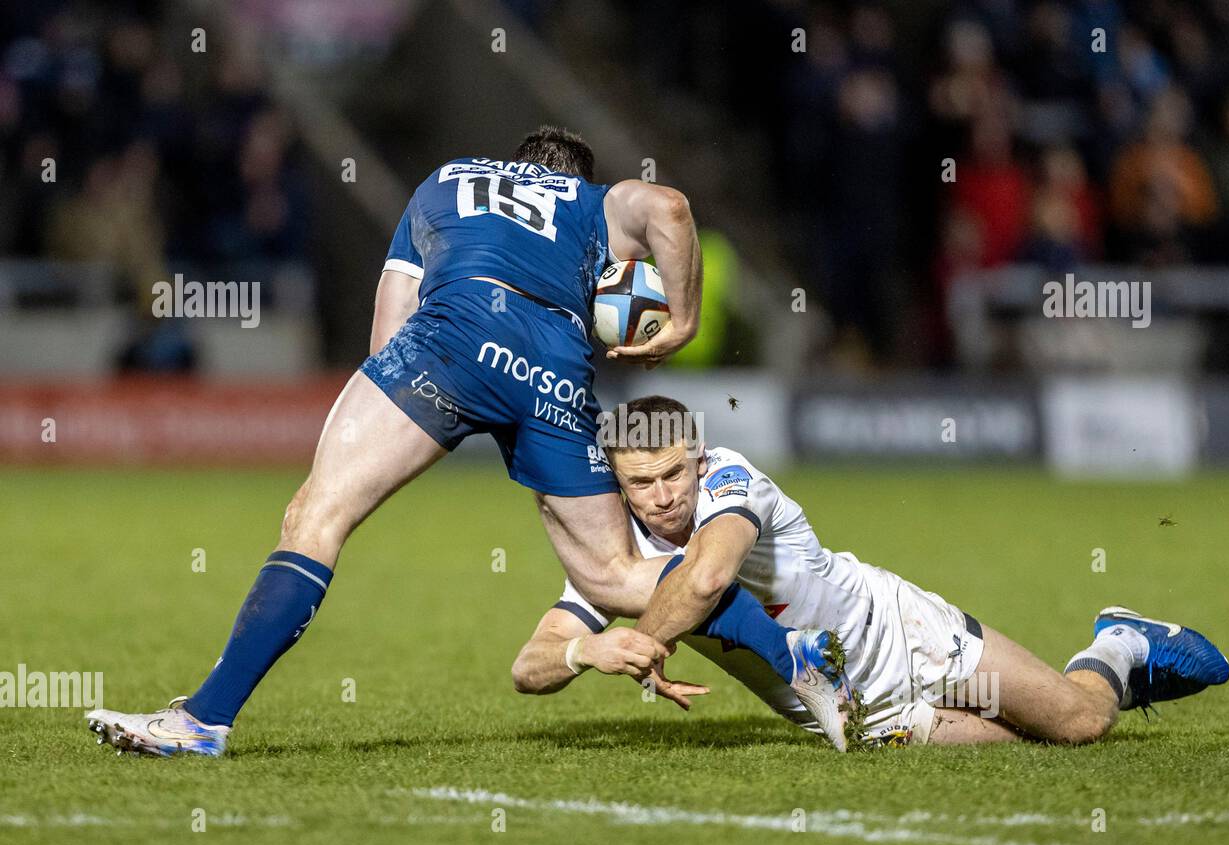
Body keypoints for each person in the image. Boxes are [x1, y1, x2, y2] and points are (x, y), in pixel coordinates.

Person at [85, 127, 848, 757]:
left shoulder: (444, 181)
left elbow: (390, 329)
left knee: (316, 517)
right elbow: (673, 209)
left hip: (447, 344)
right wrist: (680, 320)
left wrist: (407, 423)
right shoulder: (593, 204)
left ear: (514, 165)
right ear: (575, 179)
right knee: (615, 576)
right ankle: (799, 659)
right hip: (552, 372)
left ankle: (205, 719)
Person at [511, 395, 1229, 749]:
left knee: (1076, 725)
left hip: (904, 632)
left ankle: (1119, 642)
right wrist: (585, 649)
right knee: (1038, 750)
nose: (663, 496)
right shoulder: (618, 557)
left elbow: (702, 577)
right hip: (868, 716)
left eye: (674, 474)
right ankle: (1112, 667)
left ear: (698, 460)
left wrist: (646, 643)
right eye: (641, 484)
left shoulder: (733, 480)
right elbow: (528, 667)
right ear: (618, 483)